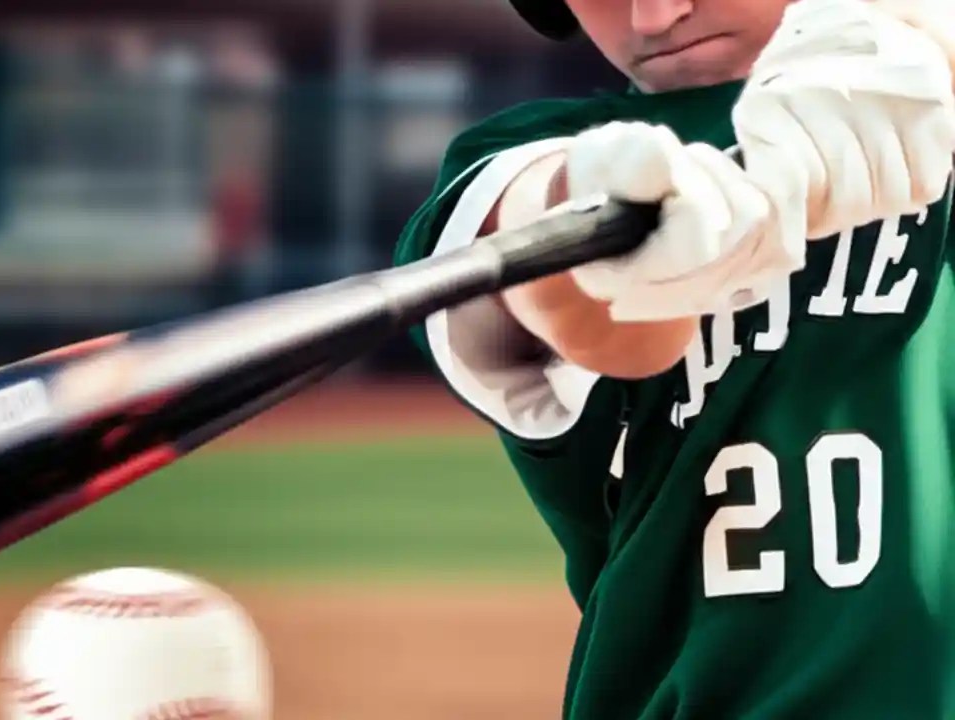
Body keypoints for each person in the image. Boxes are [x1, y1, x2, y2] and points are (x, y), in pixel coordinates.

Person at [394, 0, 955, 717]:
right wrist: (613, 223)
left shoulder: (921, 70)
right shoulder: (525, 154)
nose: (654, 14)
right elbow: (572, 291)